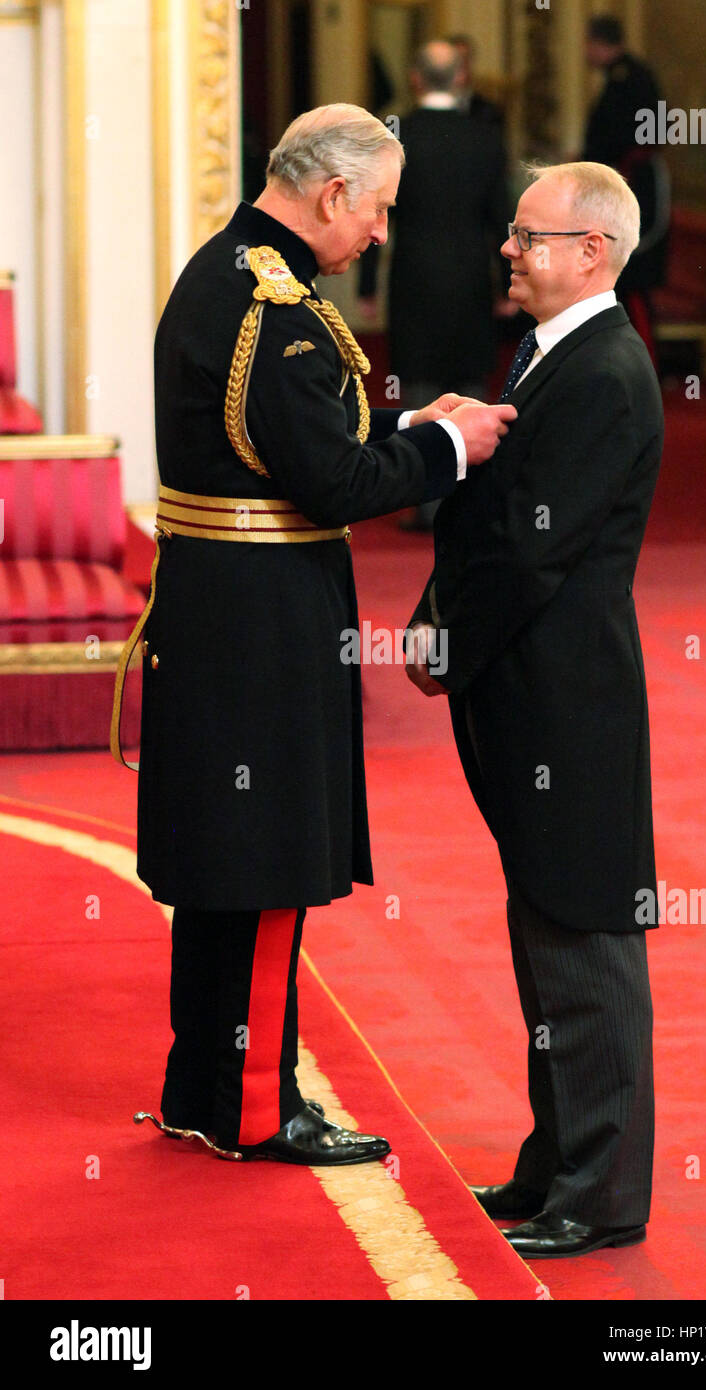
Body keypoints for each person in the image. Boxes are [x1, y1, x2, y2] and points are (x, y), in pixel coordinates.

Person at [111, 104, 515, 1167]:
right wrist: (447, 451)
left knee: (218, 869)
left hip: (219, 606)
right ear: (333, 194)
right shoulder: (277, 310)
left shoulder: (233, 270)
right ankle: (250, 1104)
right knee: (263, 864)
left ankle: (201, 1082)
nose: (381, 233)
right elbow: (332, 480)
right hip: (263, 621)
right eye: (377, 210)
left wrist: (409, 424)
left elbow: (297, 442)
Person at [406, 161, 663, 1257]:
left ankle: (600, 1191)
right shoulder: (545, 349)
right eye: (508, 231)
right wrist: (430, 609)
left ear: (591, 251)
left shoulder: (604, 370)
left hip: (571, 705)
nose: (505, 249)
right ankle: (553, 1160)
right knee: (544, 927)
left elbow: (528, 545)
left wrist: (439, 639)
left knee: (583, 935)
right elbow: (483, 514)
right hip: (529, 692)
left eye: (527, 235)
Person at [358, 40, 511, 529]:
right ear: (462, 76)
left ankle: (423, 500)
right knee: (469, 386)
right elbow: (501, 218)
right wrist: (510, 283)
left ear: (415, 79)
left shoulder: (394, 135)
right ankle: (465, 499)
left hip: (414, 276)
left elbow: (374, 212)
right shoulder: (485, 137)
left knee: (419, 389)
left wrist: (365, 285)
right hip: (470, 277)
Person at [582, 14, 670, 363]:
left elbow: (632, 138)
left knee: (632, 281)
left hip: (634, 192)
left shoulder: (630, 79)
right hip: (621, 187)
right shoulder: (620, 76)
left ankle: (644, 362)